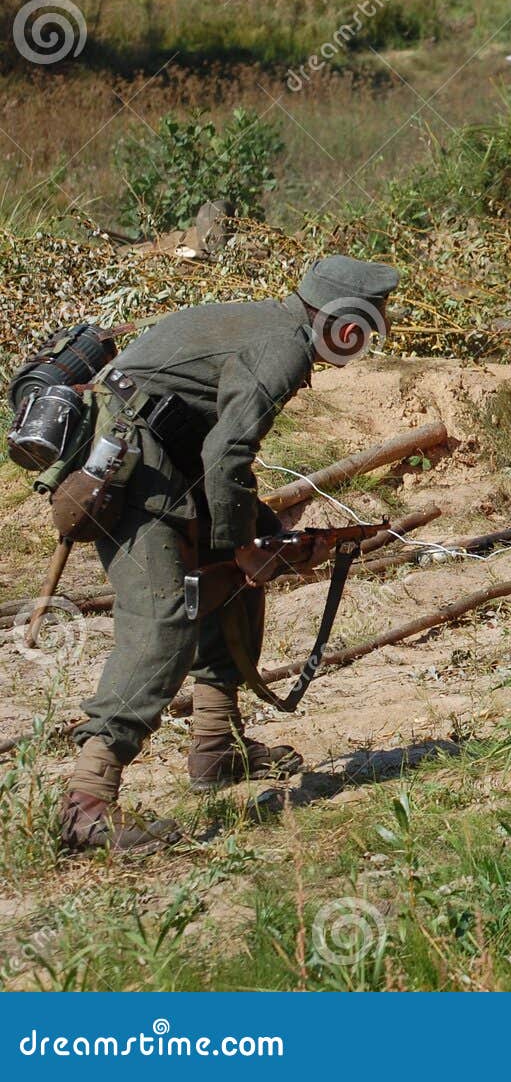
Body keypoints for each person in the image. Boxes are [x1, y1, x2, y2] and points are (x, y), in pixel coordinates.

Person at [58, 256, 401, 853]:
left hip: (162, 456)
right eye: (373, 319)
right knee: (165, 616)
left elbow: (217, 449)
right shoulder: (282, 347)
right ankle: (86, 802)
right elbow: (230, 448)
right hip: (129, 469)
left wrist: (250, 543)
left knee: (243, 562)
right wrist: (241, 547)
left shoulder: (275, 327)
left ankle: (217, 747)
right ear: (343, 320)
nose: (375, 330)